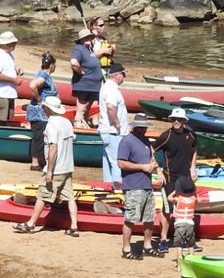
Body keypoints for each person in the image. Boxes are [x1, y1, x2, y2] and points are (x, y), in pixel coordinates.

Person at [13, 95, 80, 236]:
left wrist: (49, 171)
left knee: (42, 195)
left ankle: (31, 224)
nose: (42, 108)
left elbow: (53, 148)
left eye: (44, 107)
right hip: (68, 166)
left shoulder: (51, 124)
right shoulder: (67, 122)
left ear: (48, 108)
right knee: (69, 196)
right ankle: (74, 226)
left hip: (57, 168)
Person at [117, 114, 163, 259]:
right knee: (131, 218)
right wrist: (143, 167)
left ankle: (147, 246)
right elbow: (121, 163)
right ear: (134, 126)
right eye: (141, 127)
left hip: (146, 185)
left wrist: (157, 170)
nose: (143, 129)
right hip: (133, 185)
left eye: (145, 127)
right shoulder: (127, 141)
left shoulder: (145, 141)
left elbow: (151, 159)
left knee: (149, 218)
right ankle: (126, 248)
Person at [151, 107, 198, 249]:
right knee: (167, 209)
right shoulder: (166, 136)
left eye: (179, 119)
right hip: (170, 178)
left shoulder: (191, 135)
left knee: (188, 207)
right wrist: (157, 170)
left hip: (186, 178)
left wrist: (193, 168)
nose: (176, 122)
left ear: (184, 121)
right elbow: (151, 150)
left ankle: (188, 238)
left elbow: (194, 150)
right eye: (174, 119)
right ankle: (164, 239)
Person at [98, 62, 129, 191]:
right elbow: (111, 106)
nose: (124, 77)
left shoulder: (107, 86)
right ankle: (117, 190)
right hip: (113, 132)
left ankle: (107, 188)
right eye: (123, 74)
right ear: (117, 75)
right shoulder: (111, 88)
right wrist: (117, 123)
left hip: (108, 131)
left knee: (108, 162)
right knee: (117, 163)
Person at [25, 52, 58, 171]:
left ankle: (38, 161)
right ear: (52, 65)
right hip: (40, 112)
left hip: (39, 111)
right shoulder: (44, 76)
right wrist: (39, 100)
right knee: (39, 137)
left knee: (38, 137)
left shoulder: (41, 74)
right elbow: (32, 85)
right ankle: (35, 163)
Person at [70, 28, 102, 128]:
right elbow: (74, 62)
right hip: (84, 85)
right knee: (82, 108)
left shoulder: (89, 49)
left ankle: (85, 124)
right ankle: (78, 125)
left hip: (93, 86)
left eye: (90, 37)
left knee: (88, 108)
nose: (89, 39)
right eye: (86, 37)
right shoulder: (78, 49)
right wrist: (81, 71)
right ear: (81, 39)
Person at [0, 31, 20, 127]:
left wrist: (16, 72)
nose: (14, 45)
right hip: (1, 93)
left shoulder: (8, 54)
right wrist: (14, 80)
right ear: (6, 44)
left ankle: (1, 135)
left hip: (8, 93)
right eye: (12, 43)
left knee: (5, 117)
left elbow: (5, 71)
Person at [170, 176, 199, 261]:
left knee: (179, 245)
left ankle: (179, 265)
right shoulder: (194, 199)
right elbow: (197, 199)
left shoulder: (178, 199)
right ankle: (193, 262)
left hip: (180, 224)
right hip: (190, 224)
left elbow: (169, 198)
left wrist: (175, 191)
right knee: (191, 245)